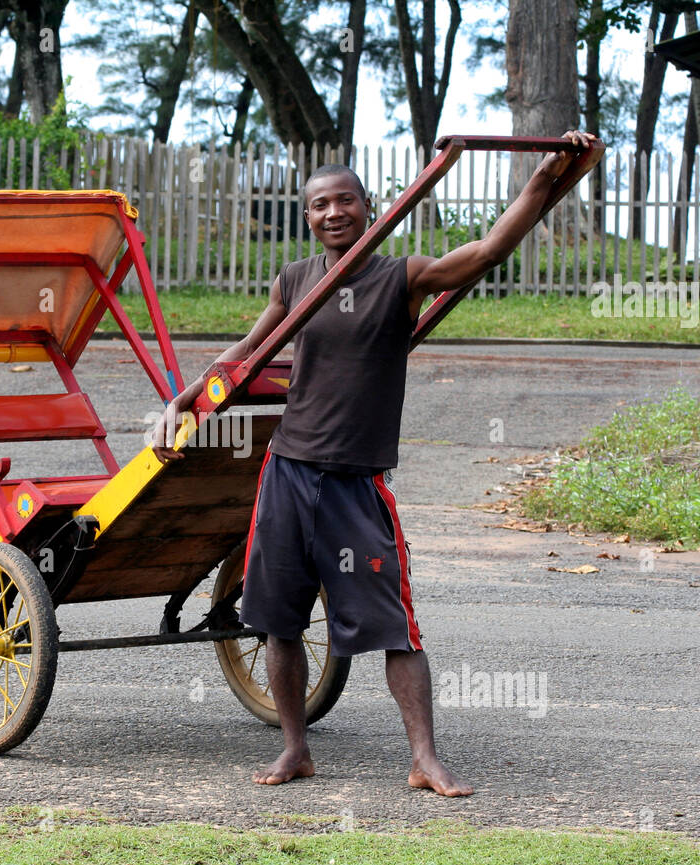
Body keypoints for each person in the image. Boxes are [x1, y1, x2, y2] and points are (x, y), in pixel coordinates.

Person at [151, 130, 598, 795]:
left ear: (369, 207)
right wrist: (183, 400)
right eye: (319, 206)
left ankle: (425, 758)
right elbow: (245, 354)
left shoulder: (402, 277)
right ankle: (295, 749)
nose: (332, 214)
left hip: (356, 486)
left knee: (397, 630)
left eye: (344, 202)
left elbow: (490, 249)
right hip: (287, 474)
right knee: (278, 621)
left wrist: (549, 176)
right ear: (307, 217)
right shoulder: (296, 279)